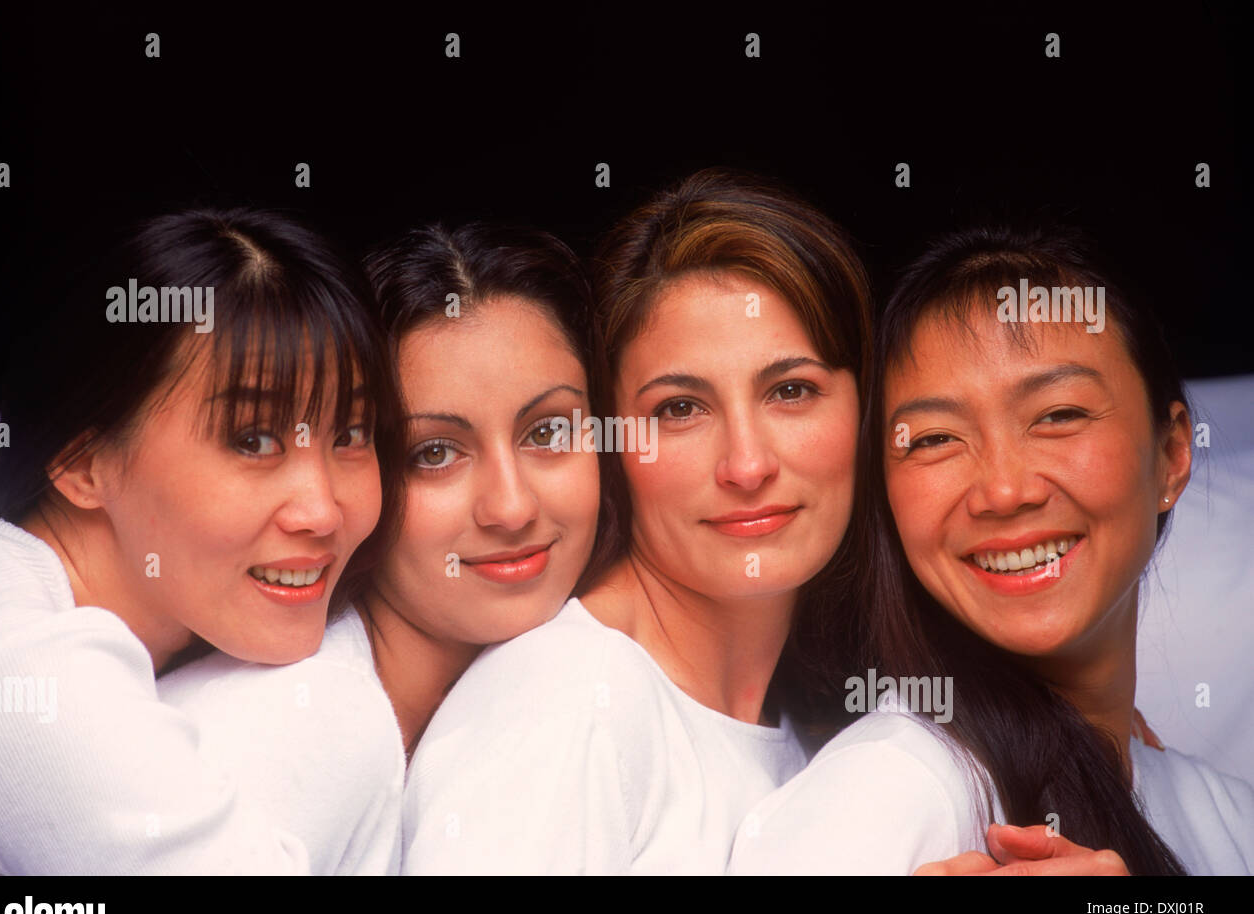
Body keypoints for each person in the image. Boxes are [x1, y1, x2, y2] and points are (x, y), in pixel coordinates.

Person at [728, 224, 1254, 875]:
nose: (1003, 491)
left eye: (1058, 415)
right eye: (933, 440)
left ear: (1173, 454)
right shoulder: (890, 787)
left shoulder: (1231, 818)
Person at [401, 168, 871, 873]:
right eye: (679, 409)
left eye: (791, 390)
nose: (746, 465)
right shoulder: (569, 695)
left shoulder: (808, 743)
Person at [0, 207, 393, 874]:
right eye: (252, 440)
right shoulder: (26, 672)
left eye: (351, 434)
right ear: (81, 464)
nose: (322, 511)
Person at [158, 221, 604, 873]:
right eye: (435, 453)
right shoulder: (309, 723)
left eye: (547, 433)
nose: (511, 507)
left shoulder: (486, 711)